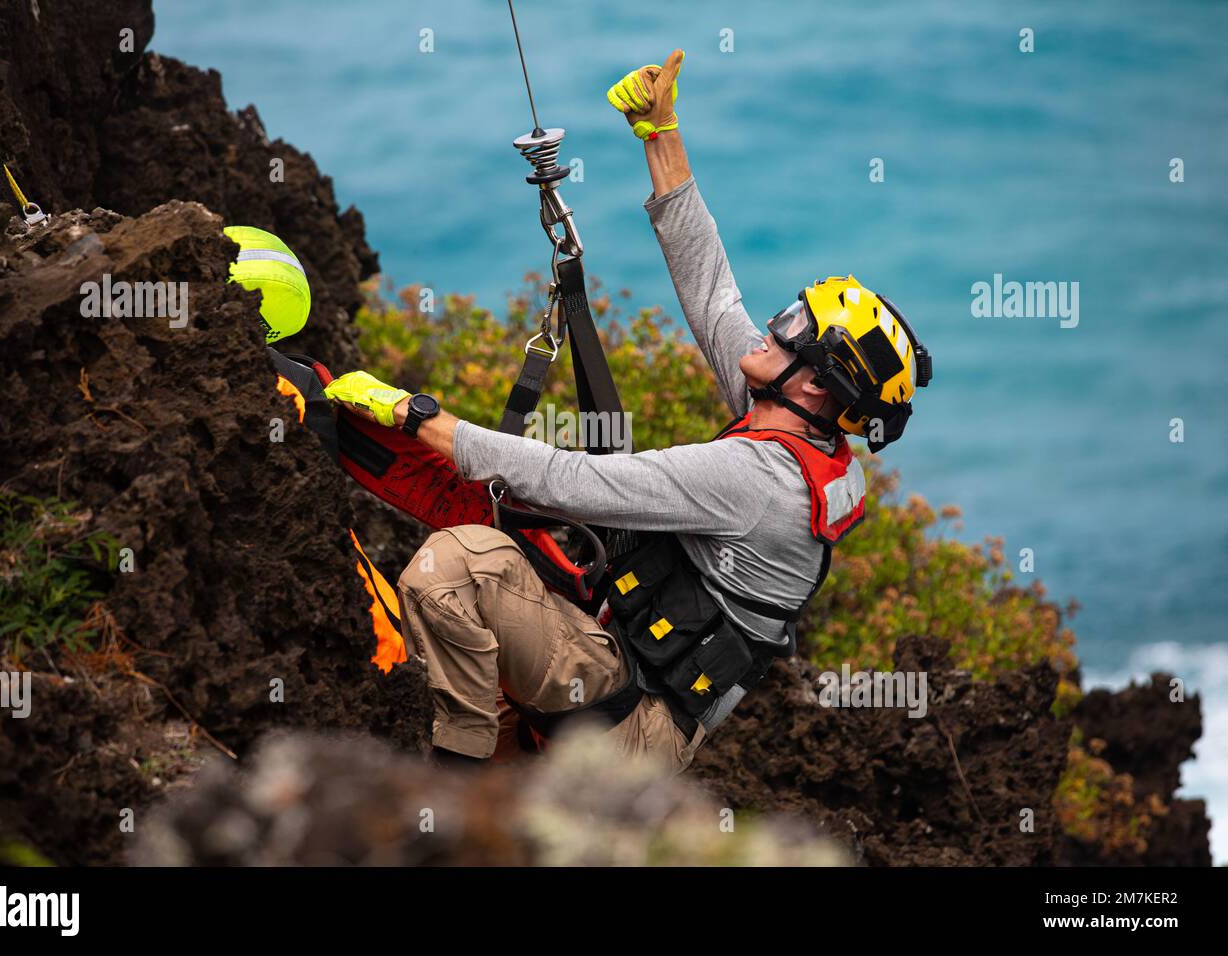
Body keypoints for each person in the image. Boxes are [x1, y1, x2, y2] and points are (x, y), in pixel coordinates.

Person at [323, 51, 931, 773]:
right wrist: (660, 130)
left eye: (797, 330)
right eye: (790, 313)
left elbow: (567, 480)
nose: (774, 327)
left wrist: (415, 414)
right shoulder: (797, 424)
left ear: (820, 387)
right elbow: (710, 292)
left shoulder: (760, 481)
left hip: (635, 726)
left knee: (453, 569)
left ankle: (459, 783)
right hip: (625, 677)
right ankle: (505, 762)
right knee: (509, 569)